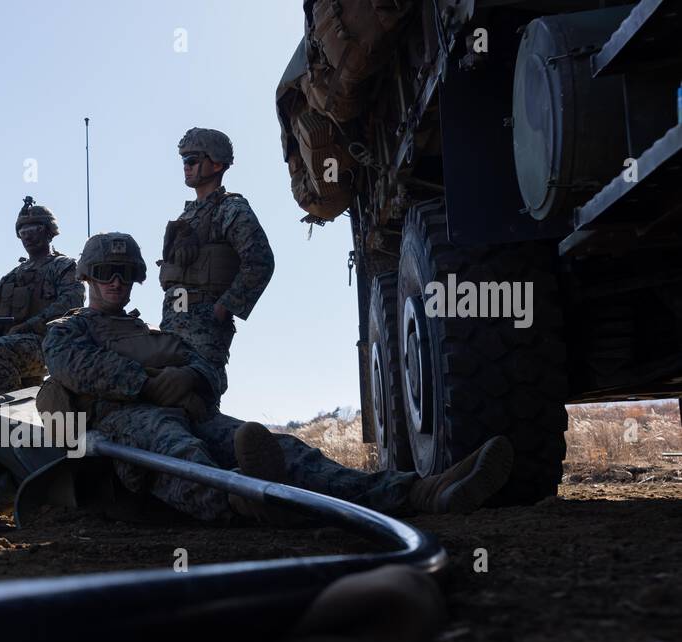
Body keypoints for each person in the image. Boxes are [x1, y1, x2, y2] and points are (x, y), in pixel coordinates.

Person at [42, 232, 514, 522]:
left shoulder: (154, 332)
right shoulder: (68, 329)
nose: (116, 281)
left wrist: (191, 378)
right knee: (183, 458)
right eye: (106, 271)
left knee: (287, 451)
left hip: (190, 410)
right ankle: (244, 500)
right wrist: (145, 381)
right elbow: (76, 367)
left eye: (126, 273)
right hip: (130, 422)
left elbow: (203, 366)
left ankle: (418, 490)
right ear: (87, 276)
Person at [158, 128, 274, 399]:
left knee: (199, 397)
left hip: (204, 324)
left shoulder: (231, 209)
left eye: (193, 160)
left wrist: (224, 307)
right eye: (183, 161)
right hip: (175, 320)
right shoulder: (188, 214)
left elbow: (259, 262)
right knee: (170, 398)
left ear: (217, 163)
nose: (186, 167)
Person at [0, 197, 83, 394]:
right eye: (23, 232)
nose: (28, 237)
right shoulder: (9, 278)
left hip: (54, 344)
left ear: (49, 231)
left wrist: (26, 327)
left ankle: (6, 418)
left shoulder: (64, 266)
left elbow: (71, 304)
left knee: (1, 349)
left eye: (34, 230)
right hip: (15, 346)